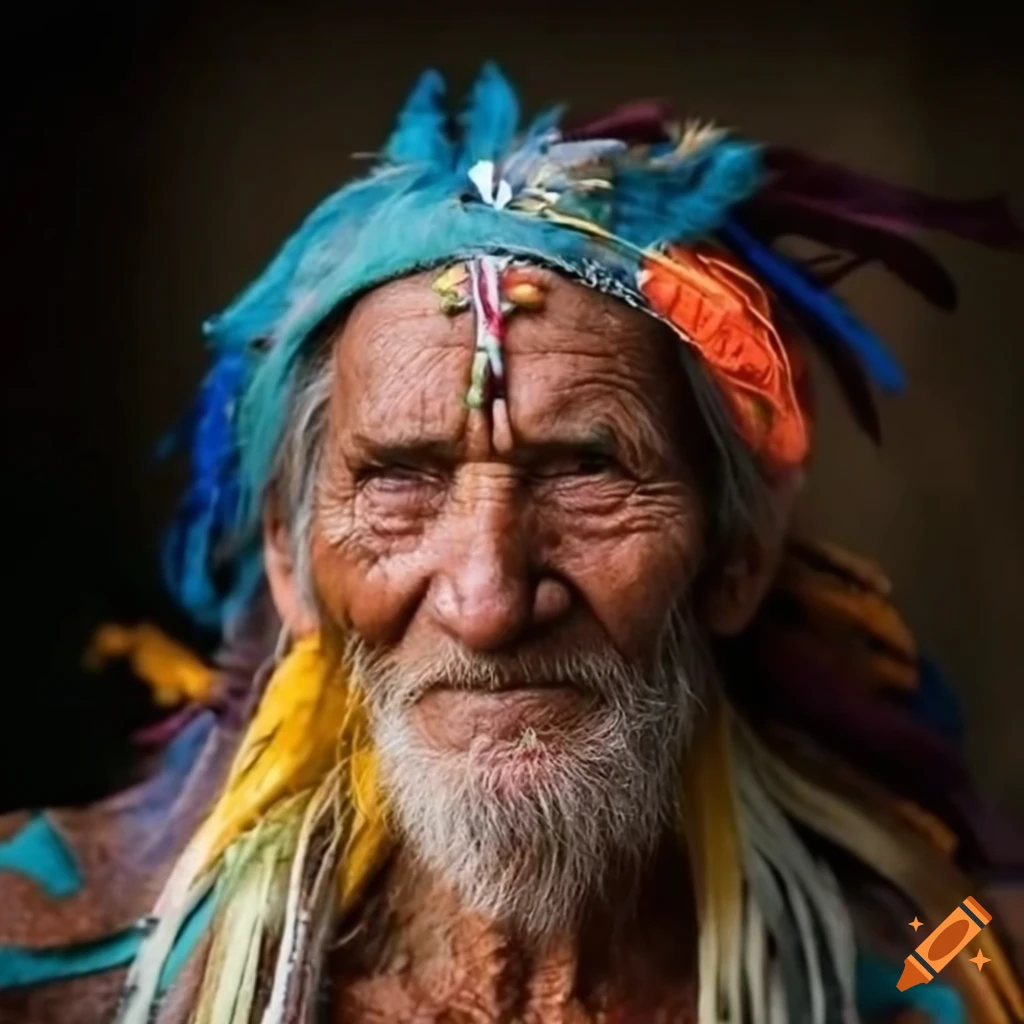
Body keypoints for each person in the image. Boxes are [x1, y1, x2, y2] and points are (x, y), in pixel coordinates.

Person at [1, 64, 1022, 1024]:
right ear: (290, 558)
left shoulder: (937, 976)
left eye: (586, 472)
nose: (488, 600)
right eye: (399, 479)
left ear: (733, 557)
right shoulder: (37, 956)